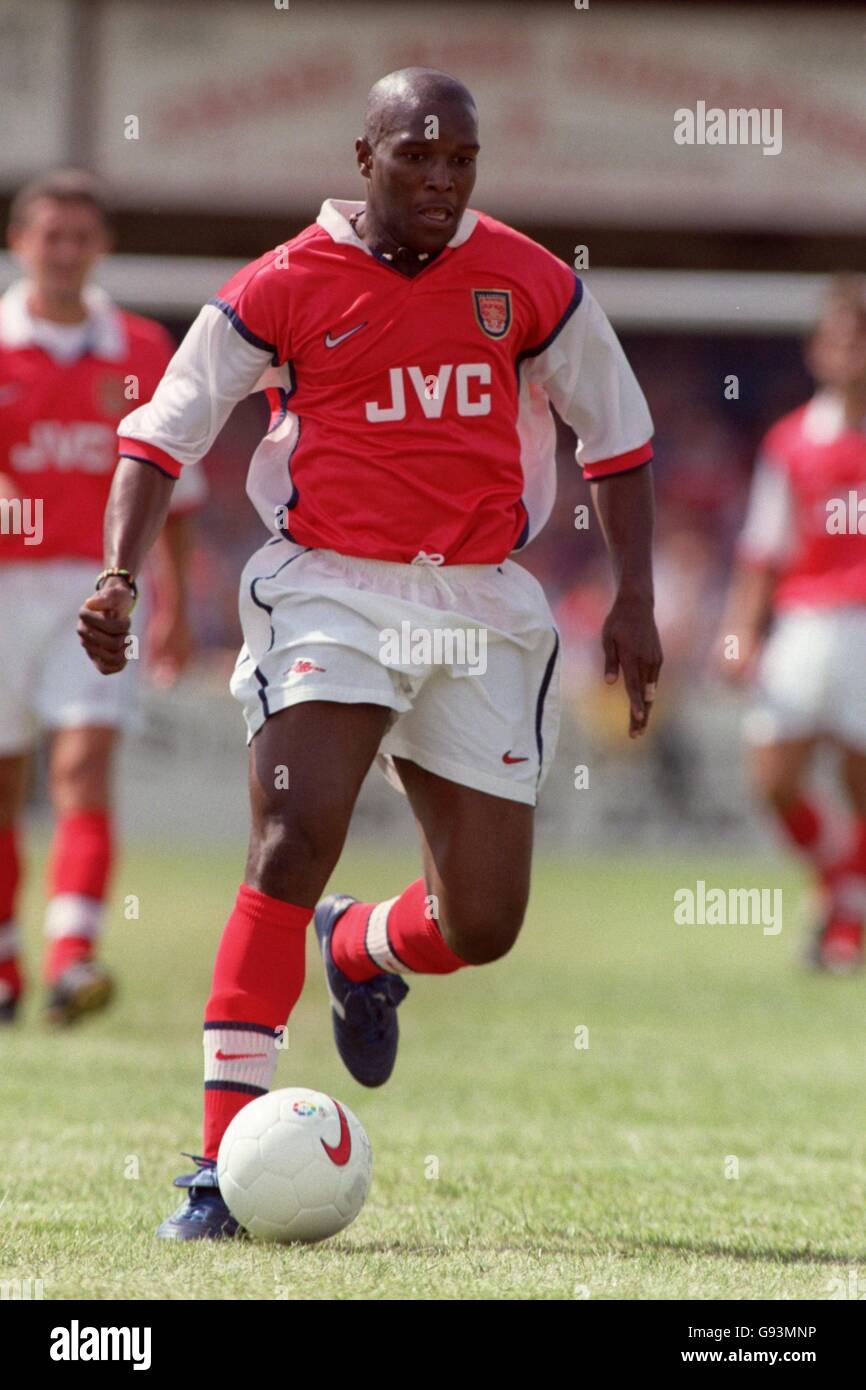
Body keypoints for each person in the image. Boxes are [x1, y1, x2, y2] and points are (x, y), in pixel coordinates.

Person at [77, 69, 660, 1239]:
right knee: (291, 835)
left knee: (483, 922)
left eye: (460, 161)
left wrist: (633, 600)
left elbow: (620, 433)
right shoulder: (282, 283)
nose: (440, 181)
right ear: (363, 159)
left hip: (481, 605)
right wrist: (119, 573)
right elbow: (162, 432)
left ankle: (356, 943)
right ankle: (217, 1164)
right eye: (415, 159)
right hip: (327, 590)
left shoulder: (530, 279)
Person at [0, 170, 204, 1025]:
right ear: (20, 242)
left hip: (101, 587)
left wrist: (177, 601)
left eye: (81, 237)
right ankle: (7, 965)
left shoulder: (143, 348)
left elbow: (171, 487)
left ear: (103, 247)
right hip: (6, 584)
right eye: (51, 235)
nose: (66, 252)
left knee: (84, 767)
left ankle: (73, 959)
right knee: (5, 778)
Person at [720, 278, 866, 971]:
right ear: (819, 351)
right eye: (841, 339)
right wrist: (739, 631)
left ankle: (844, 924)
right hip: (806, 624)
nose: (852, 352)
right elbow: (761, 549)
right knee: (773, 778)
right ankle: (843, 892)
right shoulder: (792, 442)